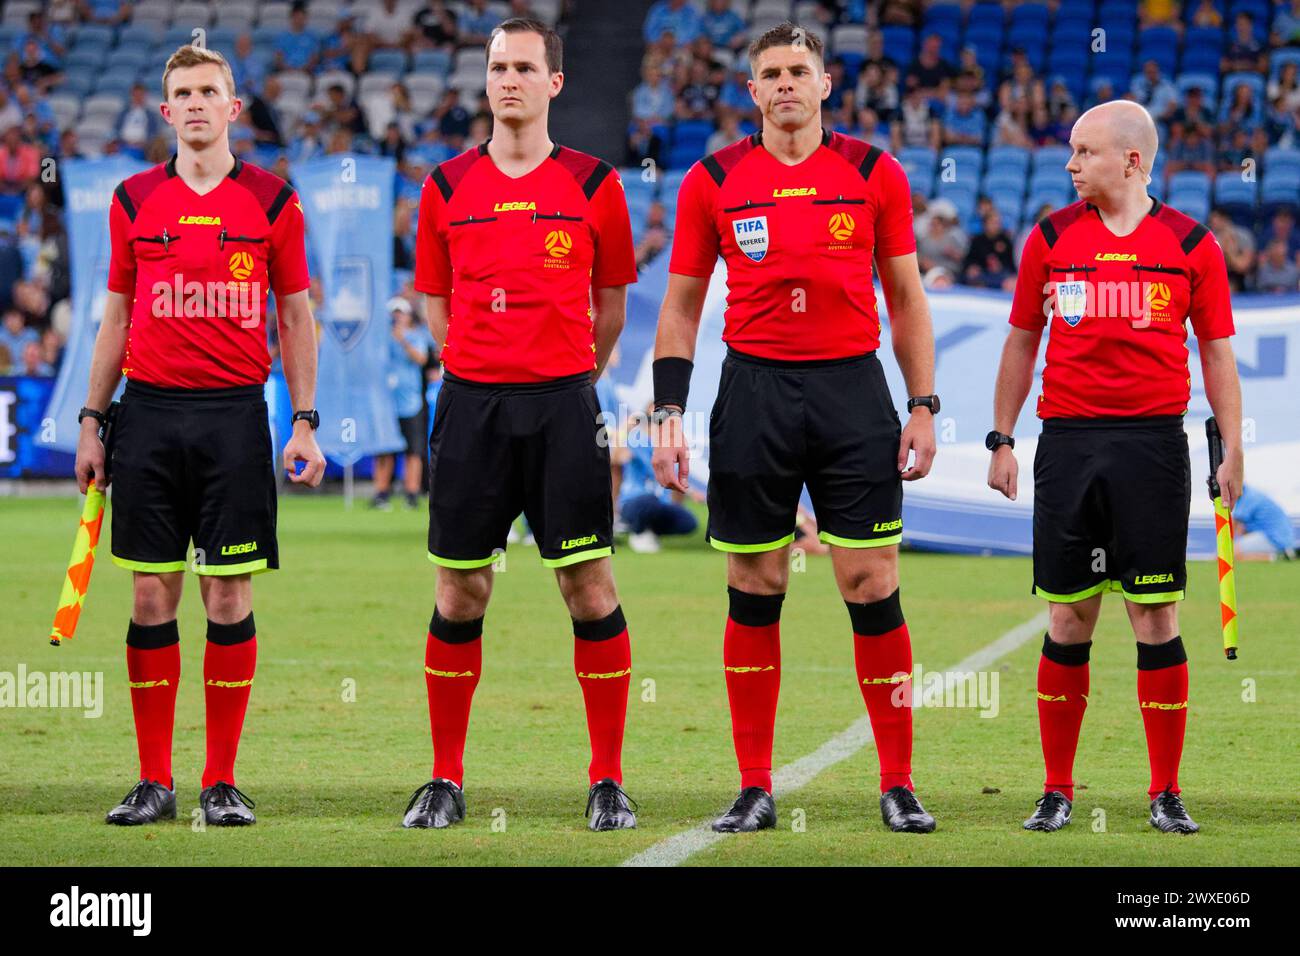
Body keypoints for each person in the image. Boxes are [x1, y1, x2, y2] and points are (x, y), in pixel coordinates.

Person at [652, 21, 940, 835]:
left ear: (824, 84)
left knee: (870, 582)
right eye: (770, 72)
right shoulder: (712, 179)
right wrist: (668, 409)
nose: (785, 83)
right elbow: (679, 305)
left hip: (854, 391)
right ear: (752, 90)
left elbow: (909, 299)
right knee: (756, 585)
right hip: (753, 392)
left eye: (798, 70)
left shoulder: (874, 172)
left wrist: (922, 404)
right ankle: (753, 786)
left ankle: (898, 781)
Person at [73, 45, 326, 828]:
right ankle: (154, 780)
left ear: (233, 107)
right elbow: (115, 314)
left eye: (208, 91)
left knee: (226, 594)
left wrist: (305, 420)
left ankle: (221, 781)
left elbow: (294, 316)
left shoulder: (274, 201)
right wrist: (91, 417)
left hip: (234, 418)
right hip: (146, 417)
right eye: (180, 93)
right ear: (164, 109)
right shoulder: (132, 198)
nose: (193, 104)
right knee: (151, 593)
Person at [988, 100, 1242, 836]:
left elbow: (1218, 352)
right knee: (1068, 617)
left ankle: (1165, 792)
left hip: (1153, 448)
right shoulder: (1050, 237)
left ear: (1131, 161)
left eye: (1083, 152)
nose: (1070, 165)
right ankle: (1056, 790)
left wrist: (1233, 447)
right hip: (1067, 444)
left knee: (1154, 614)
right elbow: (1019, 341)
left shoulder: (1193, 245)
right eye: (1071, 152)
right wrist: (1001, 438)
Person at [410, 18, 639, 831]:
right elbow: (436, 301)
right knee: (460, 589)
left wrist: (571, 372)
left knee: (588, 586)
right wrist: (476, 362)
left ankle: (607, 779)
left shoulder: (594, 184)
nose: (509, 80)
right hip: (472, 407)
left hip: (565, 404)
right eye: (497, 67)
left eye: (524, 68)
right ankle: (444, 779)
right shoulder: (444, 187)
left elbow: (611, 305)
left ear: (554, 83)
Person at [373, 297, 434, 510]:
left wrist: (402, 340)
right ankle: (381, 493)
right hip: (387, 403)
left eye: (401, 313)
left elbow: (421, 359)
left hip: (411, 403)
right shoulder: (381, 340)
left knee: (413, 451)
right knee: (384, 450)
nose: (397, 317)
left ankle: (411, 494)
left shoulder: (416, 337)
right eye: (394, 313)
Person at [1231, 485, 1297, 560]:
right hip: (1283, 539)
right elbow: (1241, 529)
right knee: (1237, 553)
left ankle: (1278, 556)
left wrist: (1219, 553)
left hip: (1273, 538)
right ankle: (1278, 557)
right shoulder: (1251, 493)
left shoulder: (1248, 496)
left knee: (1232, 551)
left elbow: (1232, 526)